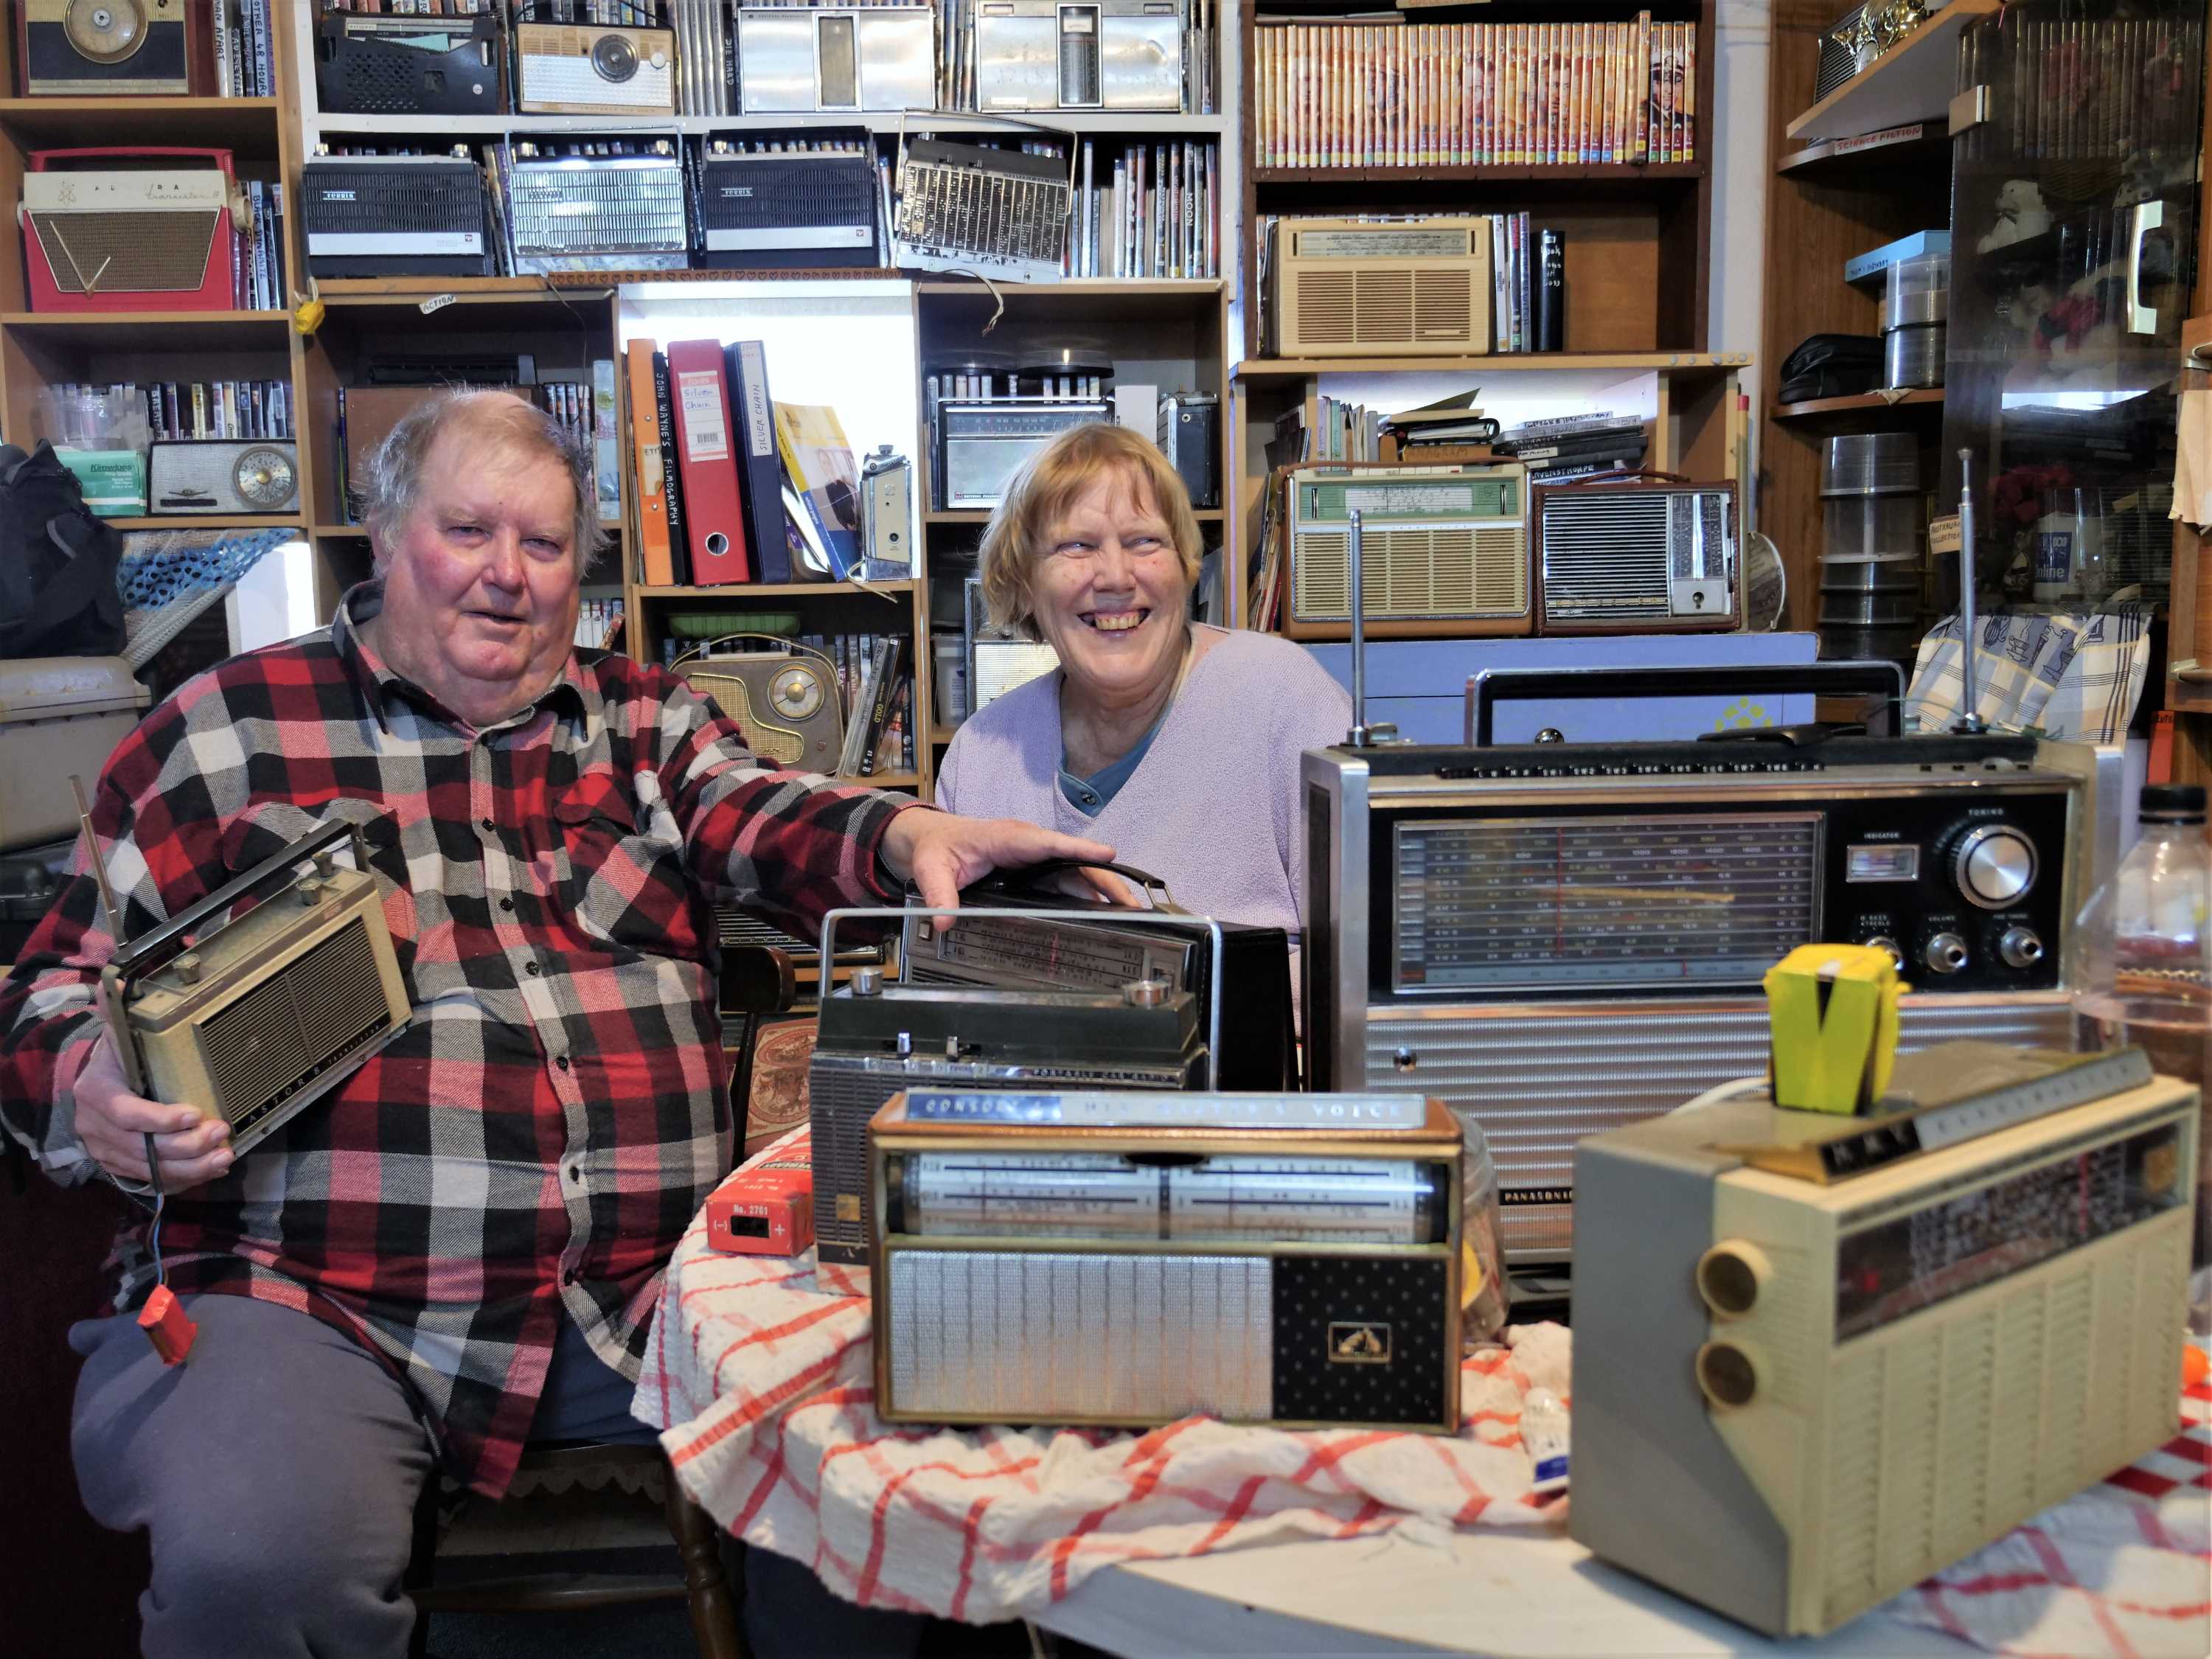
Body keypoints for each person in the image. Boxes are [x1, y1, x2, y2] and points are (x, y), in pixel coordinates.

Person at [0, 389, 1116, 1659]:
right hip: (323, 1297)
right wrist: (91, 1085)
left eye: (541, 546)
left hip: (660, 1297)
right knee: (259, 1558)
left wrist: (905, 832)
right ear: (381, 531)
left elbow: (764, 812)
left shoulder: (644, 720)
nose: (506, 577)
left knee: (901, 1480)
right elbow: (44, 995)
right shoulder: (225, 732)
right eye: (468, 531)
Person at [936, 422, 1351, 979]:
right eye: (1076, 546)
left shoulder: (1288, 703)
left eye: (1144, 541)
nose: (1115, 577)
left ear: (1184, 566)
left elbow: (1364, 970)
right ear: (1024, 583)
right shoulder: (980, 757)